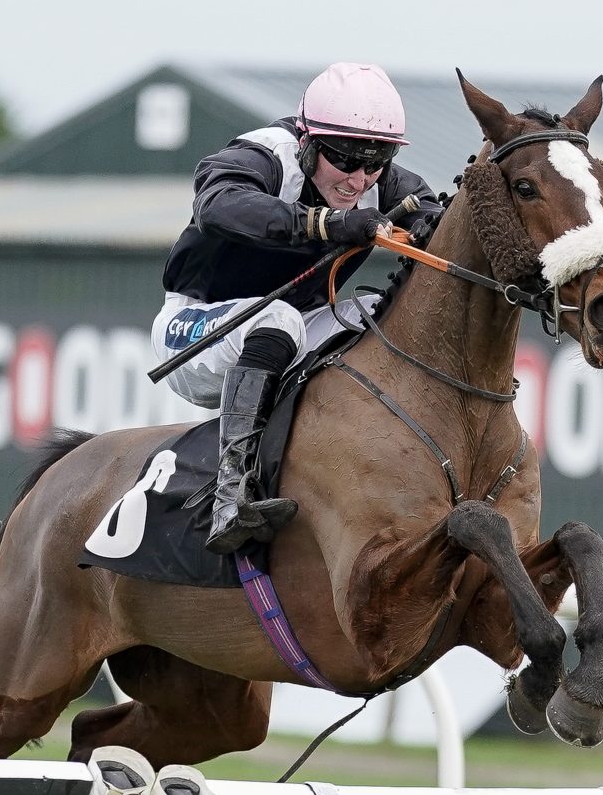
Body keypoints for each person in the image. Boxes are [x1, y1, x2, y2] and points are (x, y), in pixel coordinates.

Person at [151, 63, 442, 554]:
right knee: (278, 317)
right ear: (308, 142)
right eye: (346, 160)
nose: (359, 179)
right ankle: (231, 494)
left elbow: (434, 211)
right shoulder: (265, 154)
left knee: (373, 310)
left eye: (377, 163)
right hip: (195, 328)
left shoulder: (379, 178)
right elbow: (218, 202)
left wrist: (437, 222)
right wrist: (323, 224)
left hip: (290, 328)